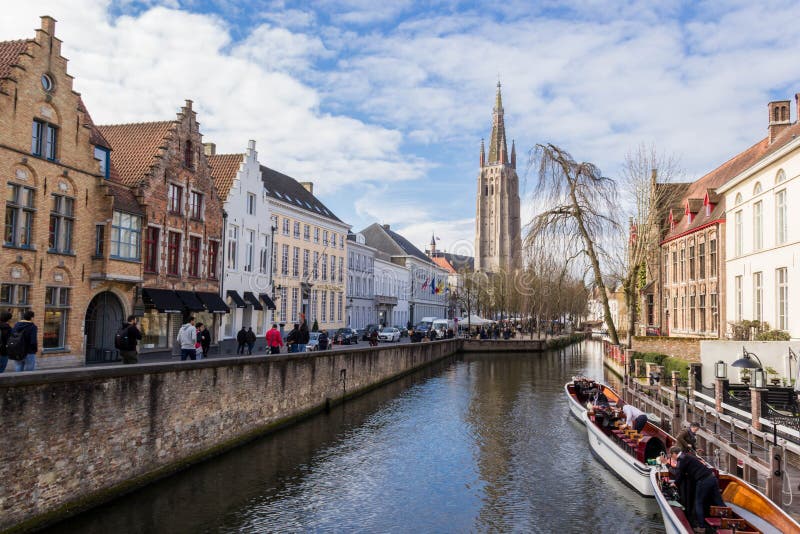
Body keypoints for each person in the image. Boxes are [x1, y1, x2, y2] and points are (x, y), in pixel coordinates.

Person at [661, 446, 724, 530]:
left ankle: (701, 527)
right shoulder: (687, 456)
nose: (672, 458)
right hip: (712, 478)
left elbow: (677, 473)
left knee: (698, 503)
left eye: (671, 456)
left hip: (703, 481)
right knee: (718, 501)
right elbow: (682, 471)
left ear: (674, 454)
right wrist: (676, 482)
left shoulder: (681, 460)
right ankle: (727, 521)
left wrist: (666, 464)